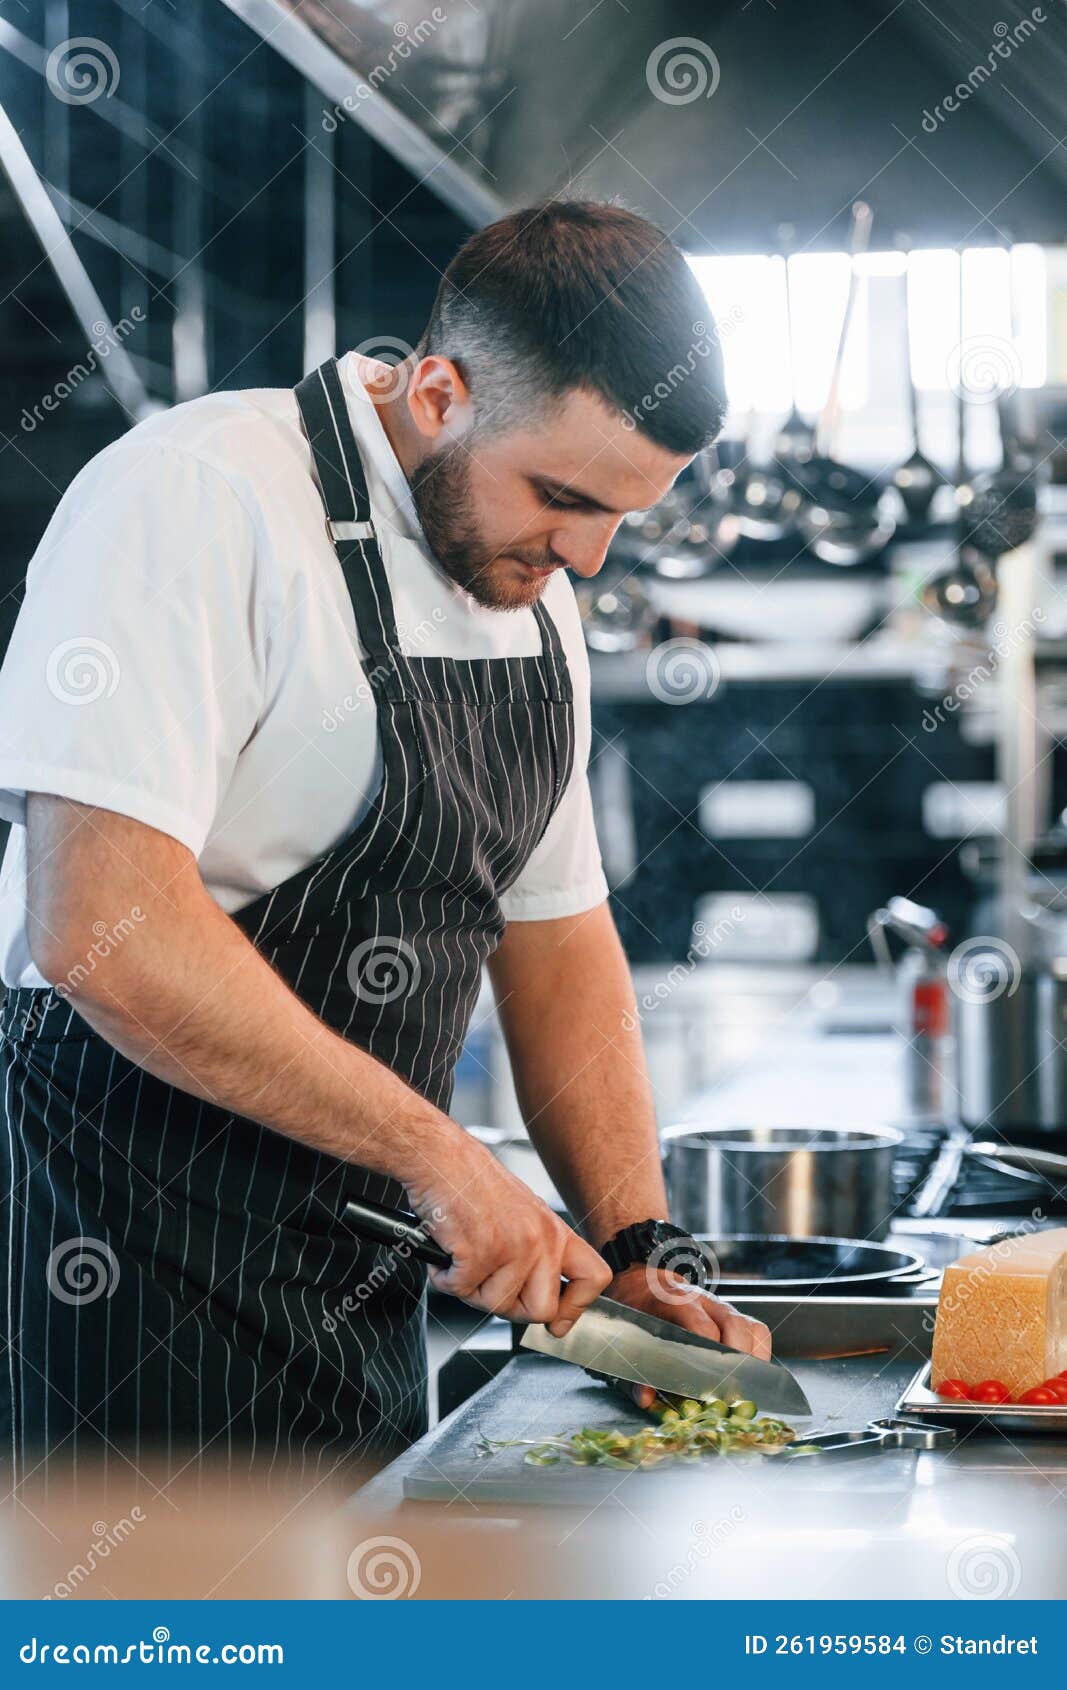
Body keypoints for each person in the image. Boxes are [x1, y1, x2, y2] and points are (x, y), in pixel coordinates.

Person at [0, 201, 769, 1479]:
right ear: (438, 394)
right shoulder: (194, 496)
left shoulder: (528, 588)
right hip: (122, 1271)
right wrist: (434, 1154)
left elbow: (557, 943)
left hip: (356, 1292)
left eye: (621, 518)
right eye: (563, 497)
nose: (586, 556)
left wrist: (638, 1244)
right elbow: (103, 933)